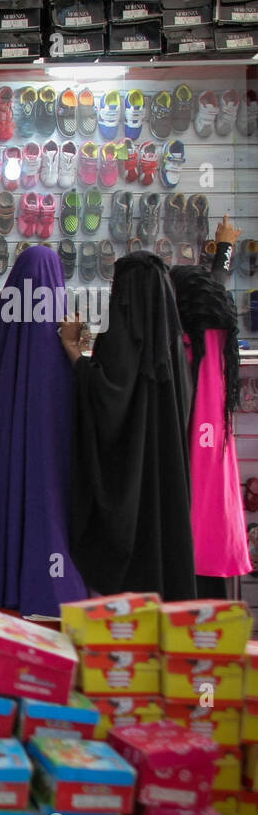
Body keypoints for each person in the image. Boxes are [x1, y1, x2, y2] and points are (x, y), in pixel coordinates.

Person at [61, 250, 195, 600]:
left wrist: (72, 348)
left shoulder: (122, 332)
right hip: (165, 483)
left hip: (132, 492)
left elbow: (107, 395)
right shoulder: (173, 345)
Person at [0, 245, 88, 617]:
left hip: (9, 441)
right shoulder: (63, 332)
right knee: (49, 505)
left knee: (12, 501)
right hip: (52, 446)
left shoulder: (4, 327)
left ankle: (11, 586)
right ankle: (52, 587)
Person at [171, 216, 252, 594]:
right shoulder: (218, 341)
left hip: (188, 493)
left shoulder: (183, 348)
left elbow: (209, 292)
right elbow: (214, 291)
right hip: (217, 488)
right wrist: (224, 250)